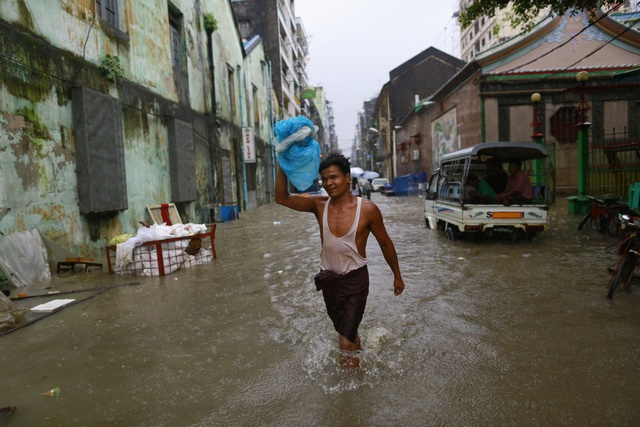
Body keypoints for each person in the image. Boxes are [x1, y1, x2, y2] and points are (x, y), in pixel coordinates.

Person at [275, 152, 405, 370]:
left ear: (347, 178)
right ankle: (359, 357)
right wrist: (283, 163)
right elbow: (282, 198)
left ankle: (350, 390)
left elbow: (385, 243)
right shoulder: (319, 205)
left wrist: (397, 276)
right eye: (324, 179)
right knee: (347, 332)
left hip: (355, 281)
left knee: (344, 343)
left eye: (333, 177)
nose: (328, 183)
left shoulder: (367, 210)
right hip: (329, 282)